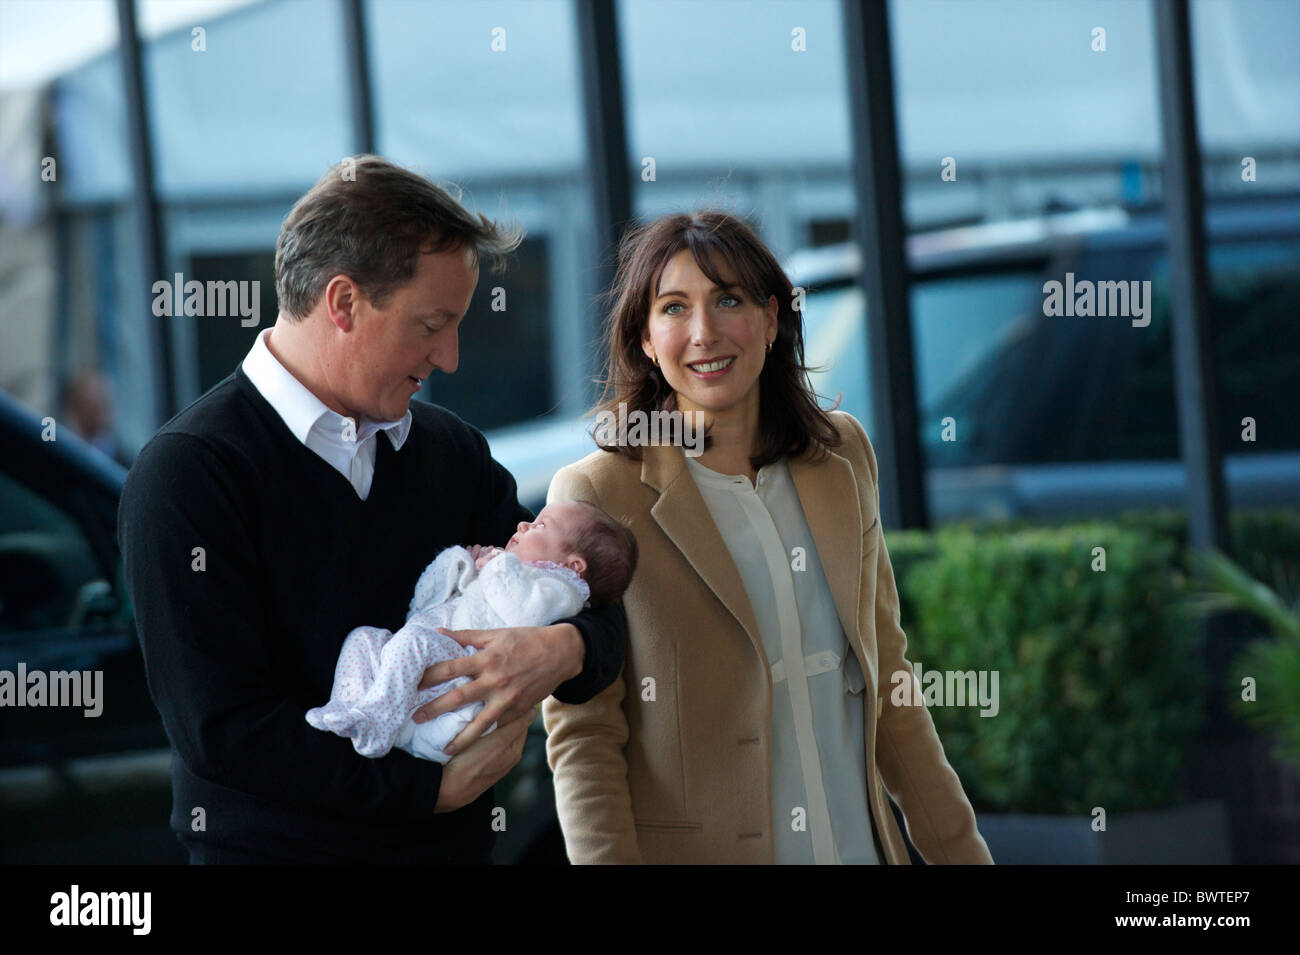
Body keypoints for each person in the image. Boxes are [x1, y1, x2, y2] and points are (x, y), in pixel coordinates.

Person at [117, 155, 627, 864]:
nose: (449, 357)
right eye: (432, 324)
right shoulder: (187, 474)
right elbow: (222, 730)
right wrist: (424, 790)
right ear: (345, 303)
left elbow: (602, 607)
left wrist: (559, 648)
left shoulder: (453, 453)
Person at [540, 210, 993, 864]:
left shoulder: (841, 456)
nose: (704, 332)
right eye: (674, 308)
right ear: (644, 336)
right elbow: (585, 736)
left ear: (772, 319)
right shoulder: (599, 494)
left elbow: (890, 682)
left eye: (729, 299)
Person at [306, 501, 638, 764]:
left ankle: (378, 719)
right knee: (364, 639)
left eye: (539, 526)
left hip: (464, 668)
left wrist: (496, 563)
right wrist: (464, 564)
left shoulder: (560, 590)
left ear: (573, 566)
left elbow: (524, 611)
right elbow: (464, 598)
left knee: (413, 642)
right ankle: (354, 706)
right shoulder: (521, 570)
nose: (522, 525)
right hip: (440, 656)